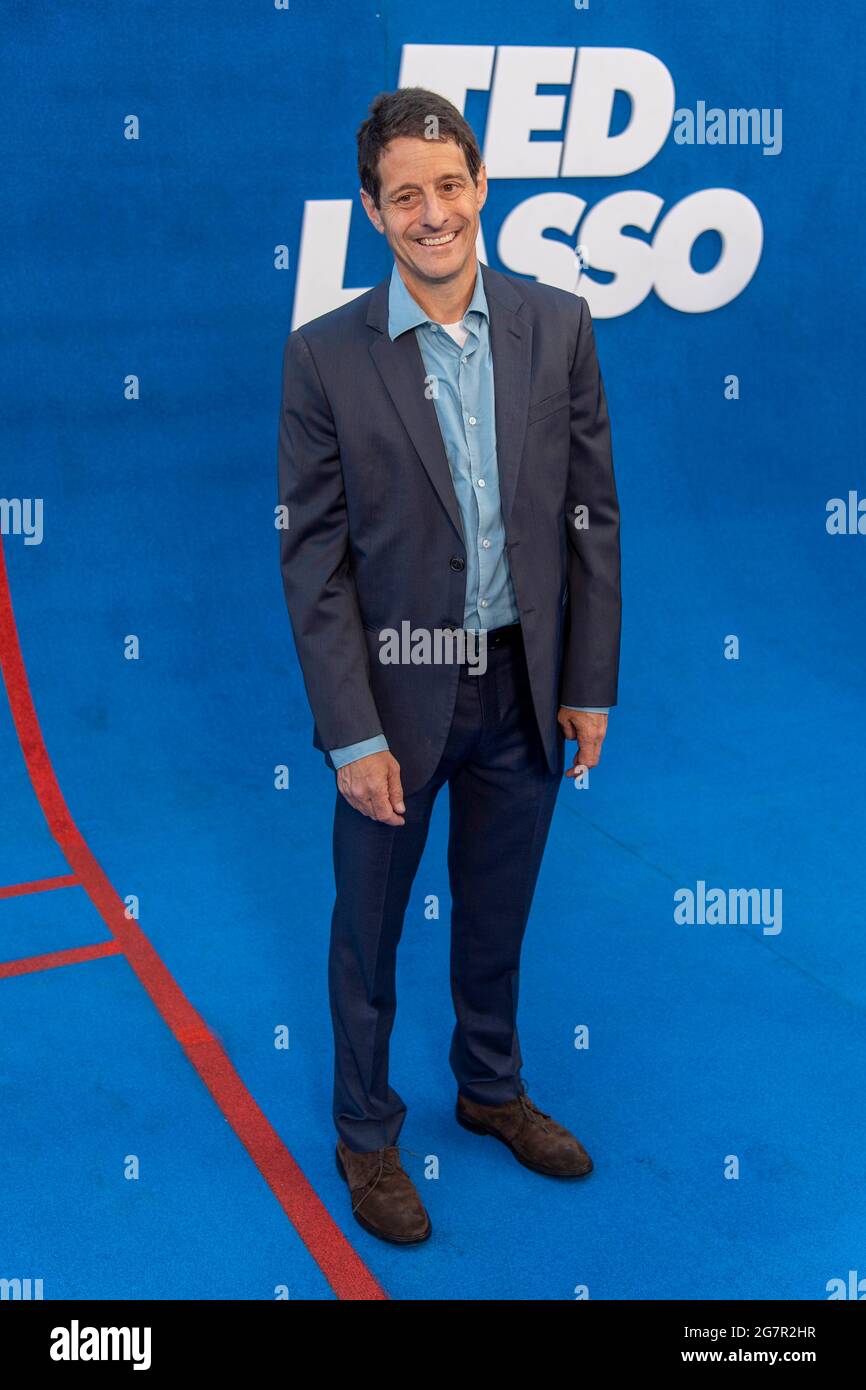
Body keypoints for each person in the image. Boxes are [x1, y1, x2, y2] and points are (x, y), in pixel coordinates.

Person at [277, 86, 621, 1245]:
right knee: (366, 928)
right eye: (405, 195)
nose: (433, 213)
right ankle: (365, 1135)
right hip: (391, 697)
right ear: (374, 211)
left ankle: (487, 1088)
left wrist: (587, 682)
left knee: (496, 912)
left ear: (481, 187)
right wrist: (351, 732)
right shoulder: (324, 358)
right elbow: (312, 559)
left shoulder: (559, 324)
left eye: (450, 185)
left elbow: (591, 520)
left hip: (522, 688)